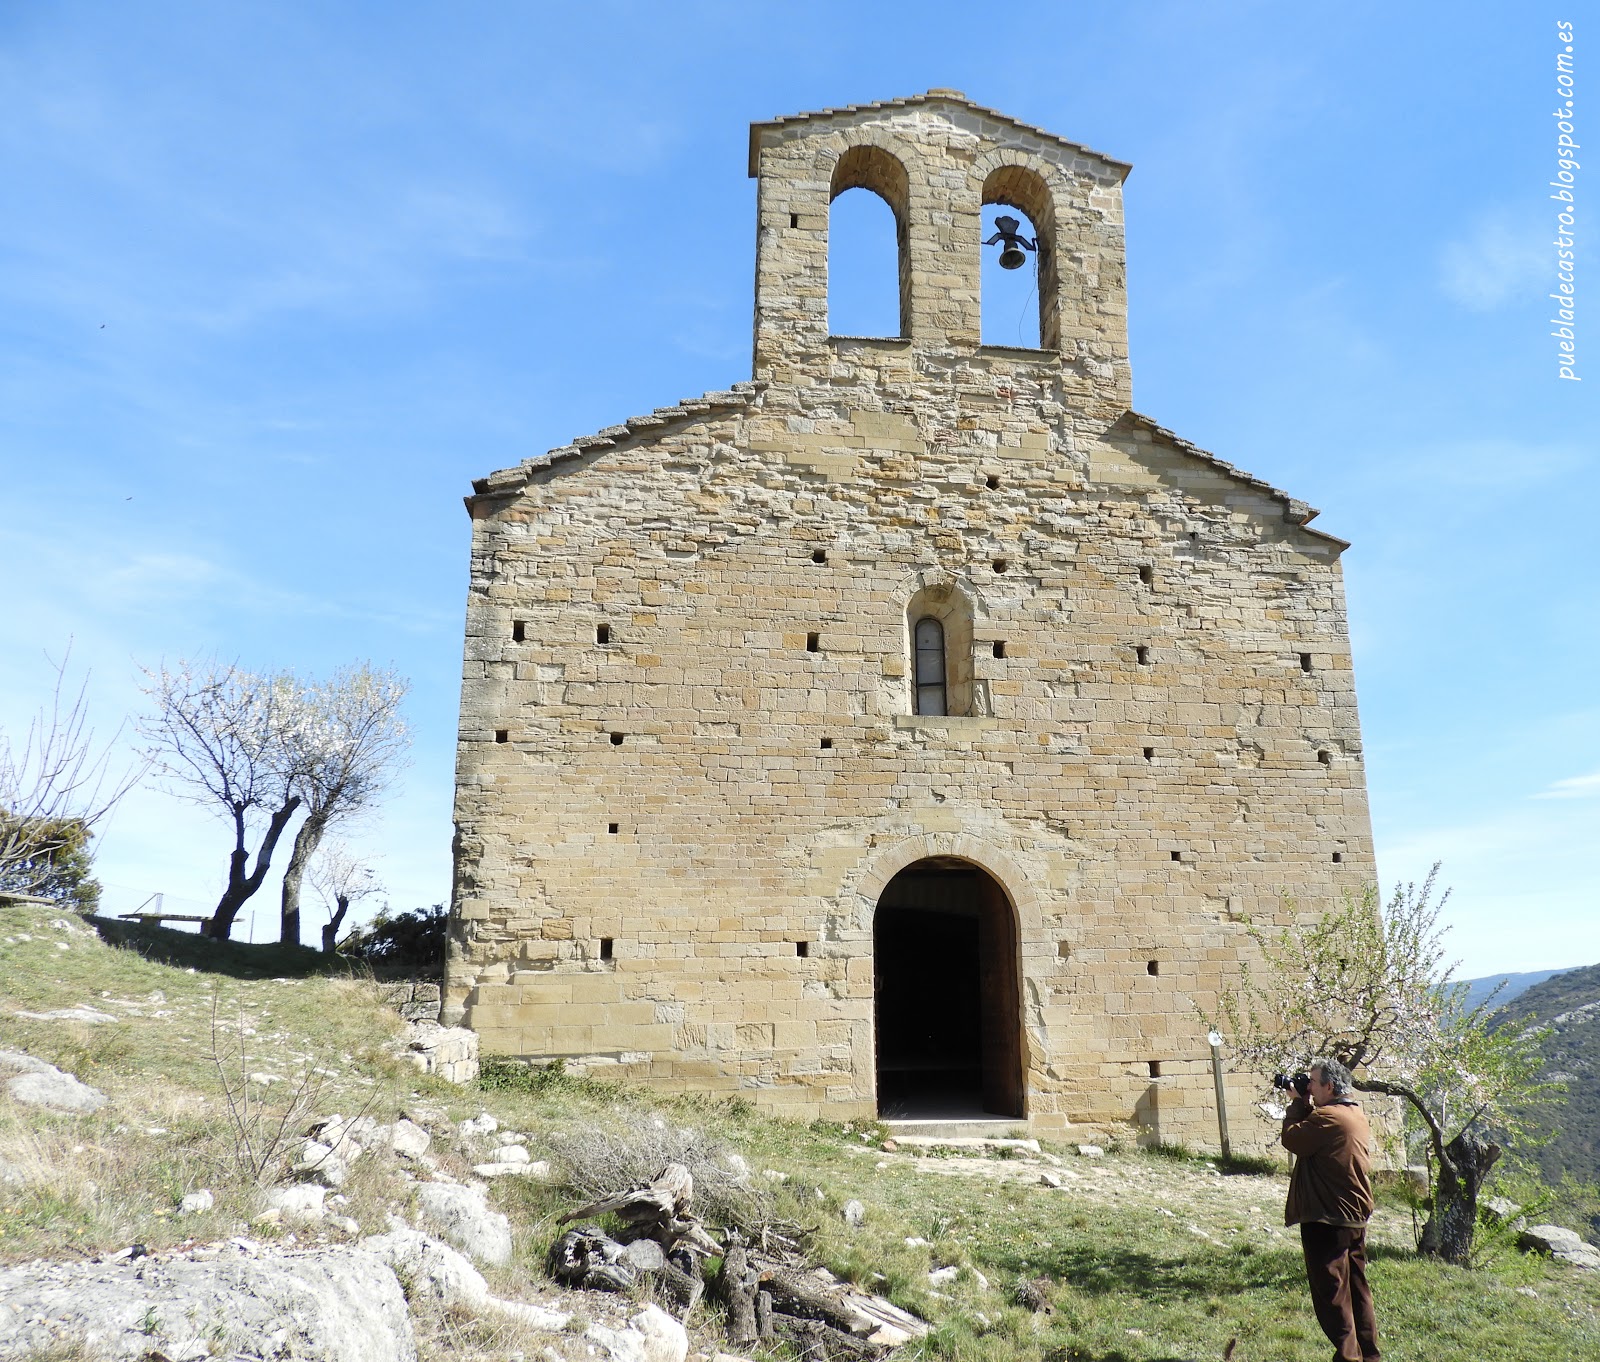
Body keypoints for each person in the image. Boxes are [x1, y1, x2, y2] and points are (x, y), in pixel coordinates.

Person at [1281, 1056, 1380, 1362]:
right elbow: (1315, 1134)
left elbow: (1293, 1139)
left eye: (1313, 1082)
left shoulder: (1328, 1118)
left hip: (1328, 1217)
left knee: (1333, 1295)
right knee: (1357, 1290)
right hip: (1351, 1216)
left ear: (1329, 1087)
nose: (1309, 1087)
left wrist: (1297, 1104)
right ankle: (1369, 1355)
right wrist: (1305, 1103)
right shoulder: (1353, 1113)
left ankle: (1349, 1358)